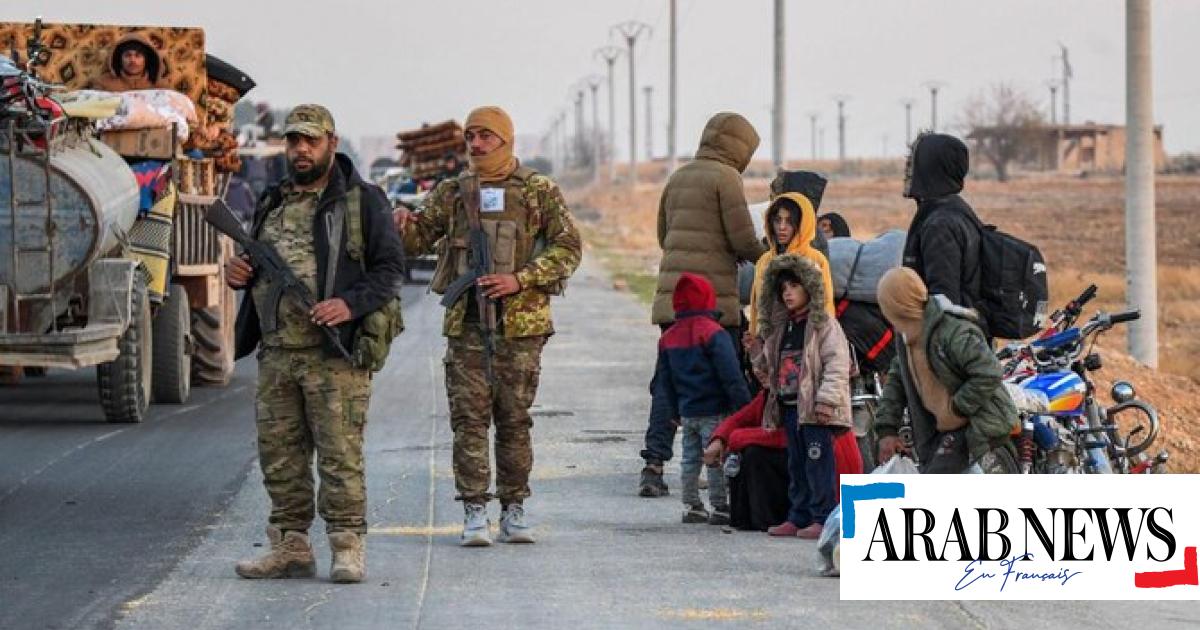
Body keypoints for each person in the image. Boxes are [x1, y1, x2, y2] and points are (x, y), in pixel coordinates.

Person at [226, 104, 405, 583]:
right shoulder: (273, 199)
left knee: (339, 454)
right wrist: (238, 274)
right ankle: (290, 547)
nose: (301, 149)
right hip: (278, 353)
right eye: (294, 141)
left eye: (311, 140)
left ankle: (347, 547)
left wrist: (348, 305)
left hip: (333, 356)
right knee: (279, 456)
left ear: (331, 141)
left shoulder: (362, 201)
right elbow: (255, 264)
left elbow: (390, 270)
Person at [395, 106, 582, 547]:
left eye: (486, 136)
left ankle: (514, 508)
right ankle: (474, 510)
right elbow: (417, 241)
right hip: (468, 326)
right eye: (470, 137)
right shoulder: (454, 192)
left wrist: (519, 278)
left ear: (506, 139)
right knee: (469, 421)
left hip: (520, 328)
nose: (476, 144)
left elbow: (569, 246)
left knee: (514, 420)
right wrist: (402, 225)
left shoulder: (537, 191)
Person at [639, 112, 766, 498]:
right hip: (714, 307)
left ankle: (653, 465)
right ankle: (727, 462)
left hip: (673, 304)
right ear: (740, 148)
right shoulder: (726, 178)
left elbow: (664, 235)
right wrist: (769, 259)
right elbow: (743, 238)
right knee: (725, 382)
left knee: (669, 386)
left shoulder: (679, 176)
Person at [873, 268, 1018, 474]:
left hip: (974, 427)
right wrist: (887, 429)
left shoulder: (953, 331)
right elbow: (897, 382)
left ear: (897, 305)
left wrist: (957, 408)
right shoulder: (906, 337)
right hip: (941, 432)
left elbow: (989, 372)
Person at [752, 254, 852, 539]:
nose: (788, 293)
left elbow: (836, 364)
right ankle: (798, 515)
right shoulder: (783, 329)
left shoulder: (824, 326)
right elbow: (767, 366)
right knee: (796, 464)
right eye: (783, 289)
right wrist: (756, 350)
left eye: (794, 287)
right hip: (790, 407)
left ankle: (823, 516)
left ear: (810, 287)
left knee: (818, 462)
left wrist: (827, 400)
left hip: (815, 409)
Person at [704, 362, 861, 532]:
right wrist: (719, 439)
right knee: (751, 452)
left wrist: (734, 438)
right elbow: (740, 418)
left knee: (756, 453)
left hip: (831, 473)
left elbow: (788, 438)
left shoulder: (802, 393)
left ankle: (813, 517)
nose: (759, 371)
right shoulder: (773, 394)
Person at [651, 273, 752, 525]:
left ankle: (692, 504)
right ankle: (720, 505)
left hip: (687, 411)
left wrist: (673, 412)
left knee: (689, 459)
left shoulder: (668, 338)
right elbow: (731, 375)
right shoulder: (714, 333)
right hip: (715, 410)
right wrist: (745, 408)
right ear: (708, 299)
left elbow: (665, 382)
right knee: (714, 458)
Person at [901, 133, 987, 336]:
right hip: (963, 341)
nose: (907, 171)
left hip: (950, 350)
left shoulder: (940, 225)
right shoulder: (951, 211)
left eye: (913, 162)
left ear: (931, 169)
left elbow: (944, 304)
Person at [746, 192, 836, 338]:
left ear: (801, 223)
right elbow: (757, 306)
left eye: (789, 221)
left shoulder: (814, 259)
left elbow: (825, 306)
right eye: (777, 220)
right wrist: (754, 336)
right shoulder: (764, 261)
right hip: (769, 343)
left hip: (803, 342)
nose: (782, 227)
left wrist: (823, 341)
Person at [91, 34, 170, 92]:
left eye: (138, 55)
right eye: (127, 55)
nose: (132, 60)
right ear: (120, 59)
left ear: (146, 60)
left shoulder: (161, 86)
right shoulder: (103, 83)